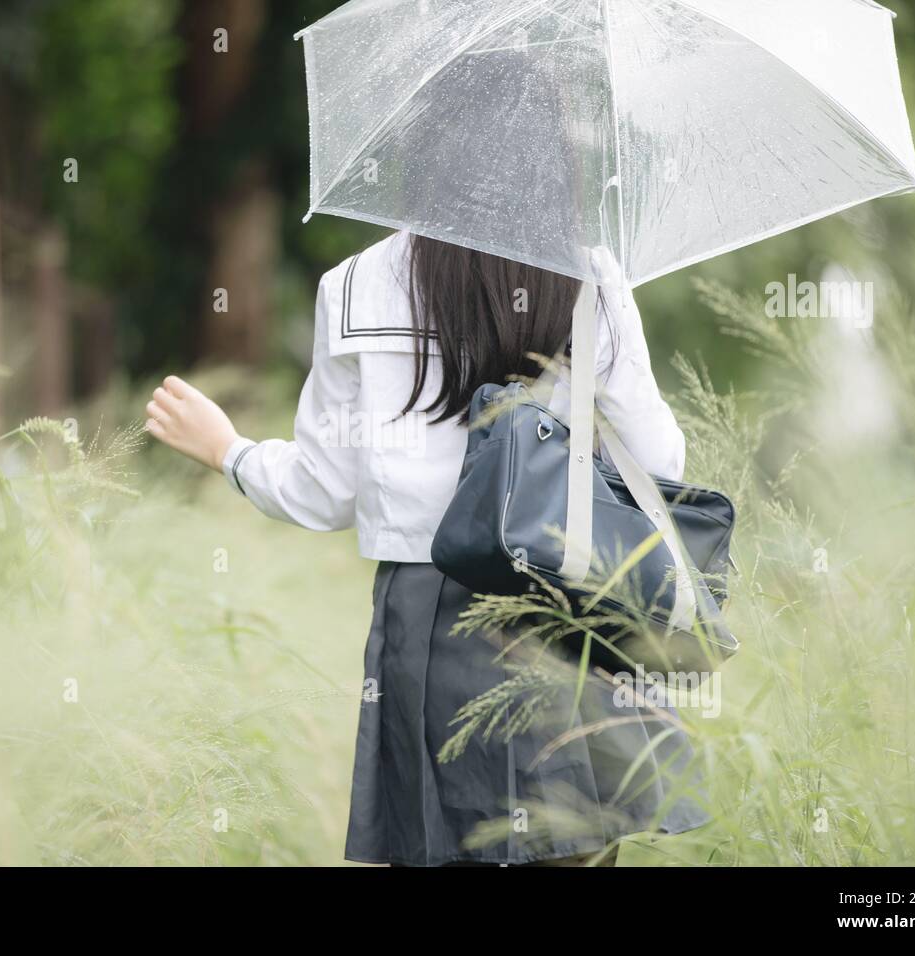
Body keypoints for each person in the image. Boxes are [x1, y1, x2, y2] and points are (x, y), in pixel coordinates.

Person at [145, 229, 711, 866]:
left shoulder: (356, 284)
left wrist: (231, 451)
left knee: (444, 845)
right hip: (568, 597)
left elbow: (325, 490)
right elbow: (658, 459)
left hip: (430, 620)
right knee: (573, 841)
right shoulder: (588, 273)